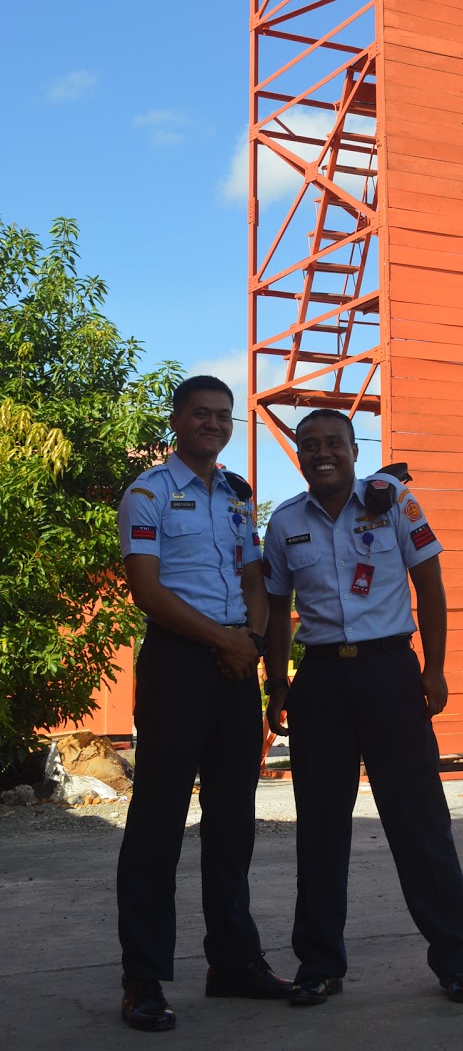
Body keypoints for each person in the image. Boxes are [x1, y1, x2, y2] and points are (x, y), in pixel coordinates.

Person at [262, 410, 463, 1006]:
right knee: (321, 828)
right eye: (309, 445)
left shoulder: (395, 503)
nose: (321, 453)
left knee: (419, 822)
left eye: (333, 442)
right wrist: (277, 683)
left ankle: (459, 961)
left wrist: (434, 668)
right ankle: (318, 965)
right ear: (301, 456)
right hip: (321, 682)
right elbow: (278, 607)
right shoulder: (284, 524)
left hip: (390, 673)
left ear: (354, 450)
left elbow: (431, 586)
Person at [115, 375, 291, 1032]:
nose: (215, 424)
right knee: (157, 822)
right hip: (178, 665)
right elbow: (147, 592)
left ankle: (234, 964)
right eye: (202, 414)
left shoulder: (237, 500)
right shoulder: (148, 493)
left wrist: (246, 642)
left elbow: (255, 582)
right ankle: (142, 979)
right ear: (178, 420)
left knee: (232, 823)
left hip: (234, 666)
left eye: (224, 416)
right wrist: (224, 640)